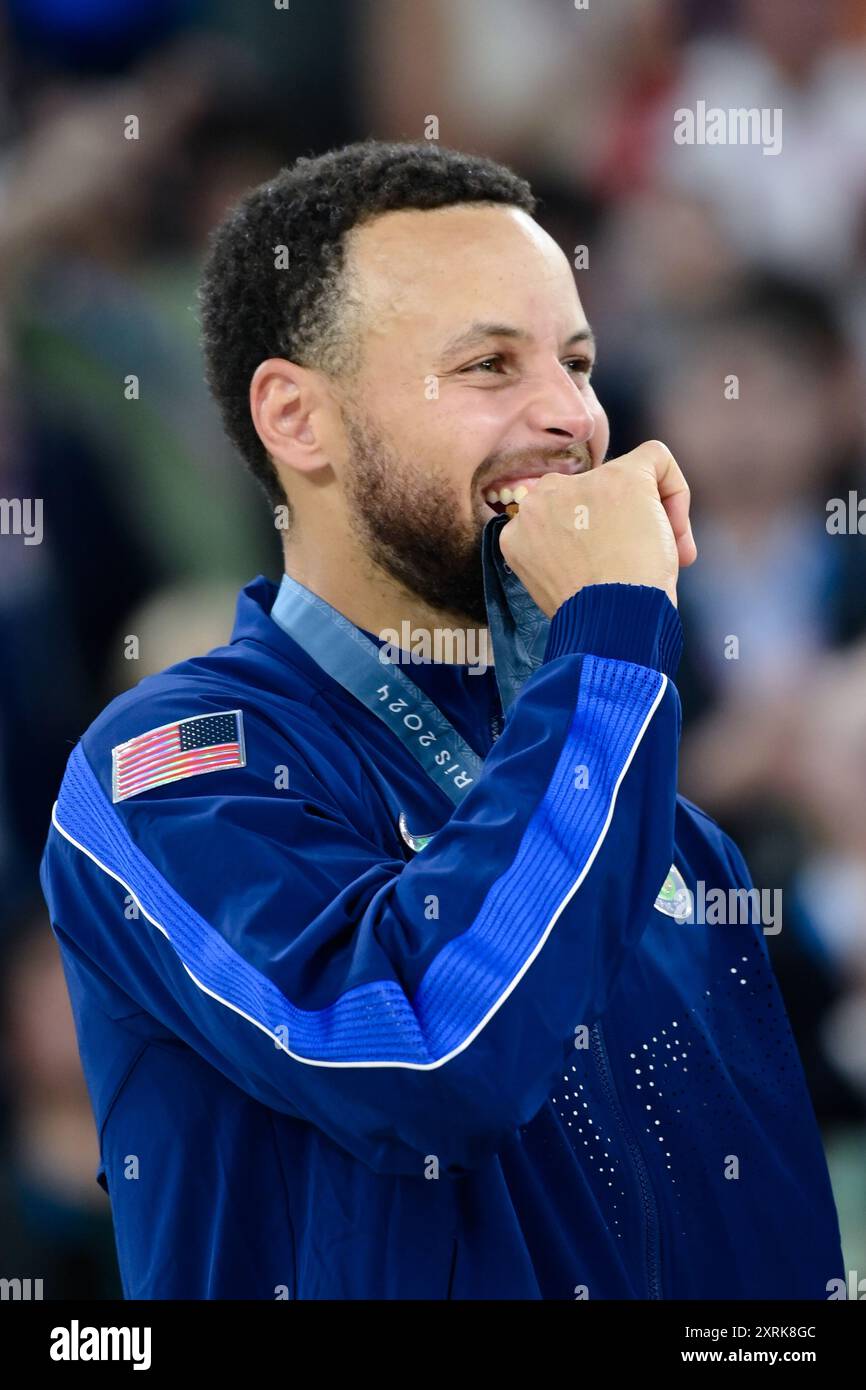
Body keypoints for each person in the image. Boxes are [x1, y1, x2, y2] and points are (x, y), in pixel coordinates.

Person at [40, 140, 844, 1299]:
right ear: (296, 419)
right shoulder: (166, 775)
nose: (569, 417)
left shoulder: (661, 829)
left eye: (577, 361)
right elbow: (427, 1053)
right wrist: (610, 635)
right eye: (487, 366)